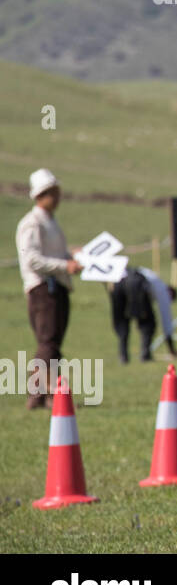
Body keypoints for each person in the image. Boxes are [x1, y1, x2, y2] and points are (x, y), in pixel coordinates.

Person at [15, 169, 81, 409]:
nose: (58, 197)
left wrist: (71, 258)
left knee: (53, 342)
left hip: (58, 286)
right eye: (53, 192)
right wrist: (65, 265)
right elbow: (31, 259)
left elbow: (52, 254)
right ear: (42, 194)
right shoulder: (31, 224)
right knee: (47, 341)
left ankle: (50, 394)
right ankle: (37, 395)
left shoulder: (50, 222)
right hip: (44, 288)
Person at [108, 267, 165, 363]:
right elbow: (165, 316)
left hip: (119, 283)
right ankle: (145, 354)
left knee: (122, 323)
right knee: (147, 323)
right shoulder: (161, 288)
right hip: (136, 286)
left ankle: (123, 355)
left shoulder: (149, 275)